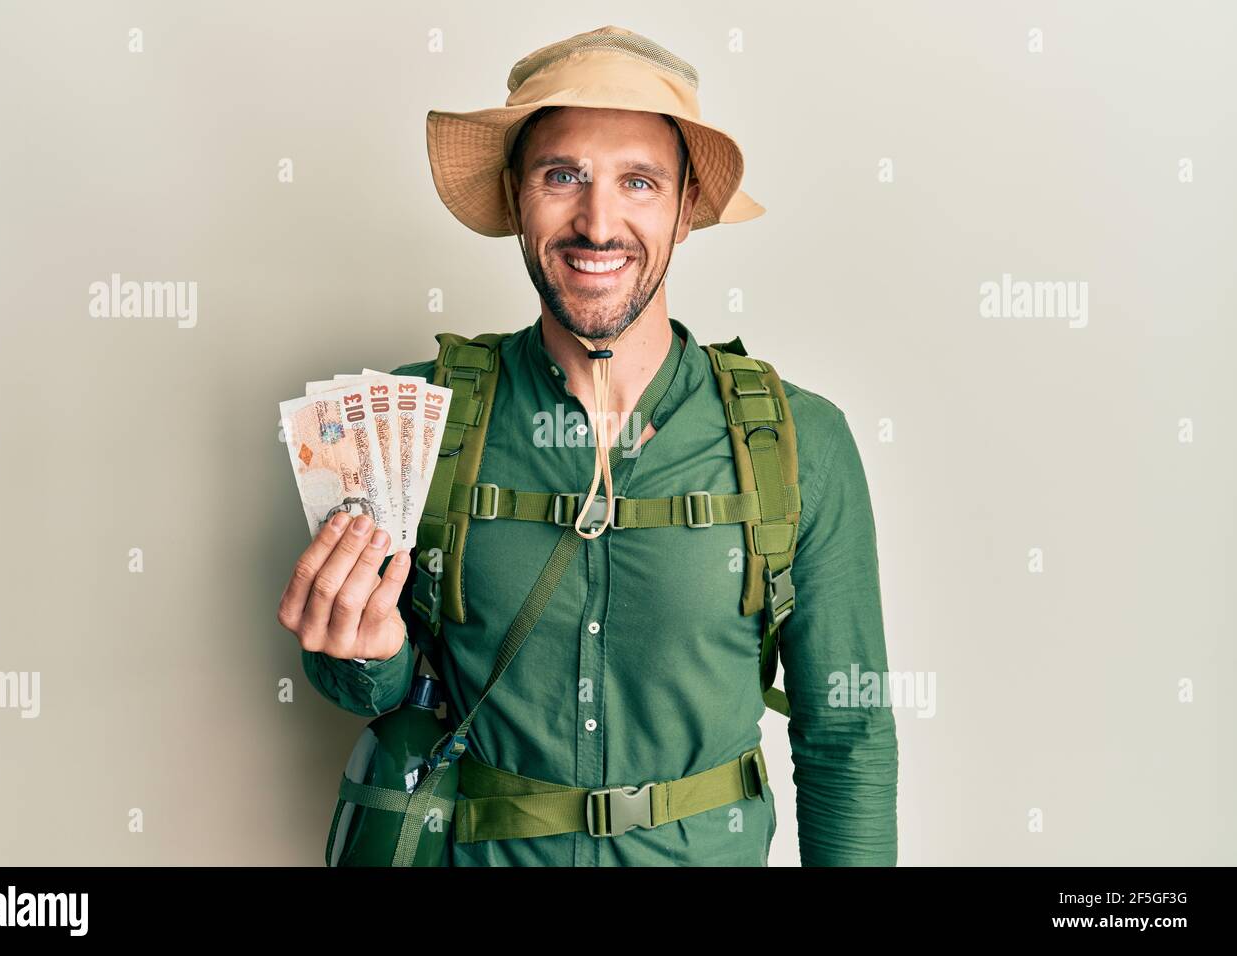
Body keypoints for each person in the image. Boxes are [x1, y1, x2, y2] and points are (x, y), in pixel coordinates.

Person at [278, 25, 898, 866]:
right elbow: (372, 691)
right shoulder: (409, 420)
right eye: (561, 176)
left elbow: (848, 738)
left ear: (684, 209)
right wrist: (364, 652)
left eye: (638, 181)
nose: (598, 223)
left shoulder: (800, 440)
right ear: (515, 198)